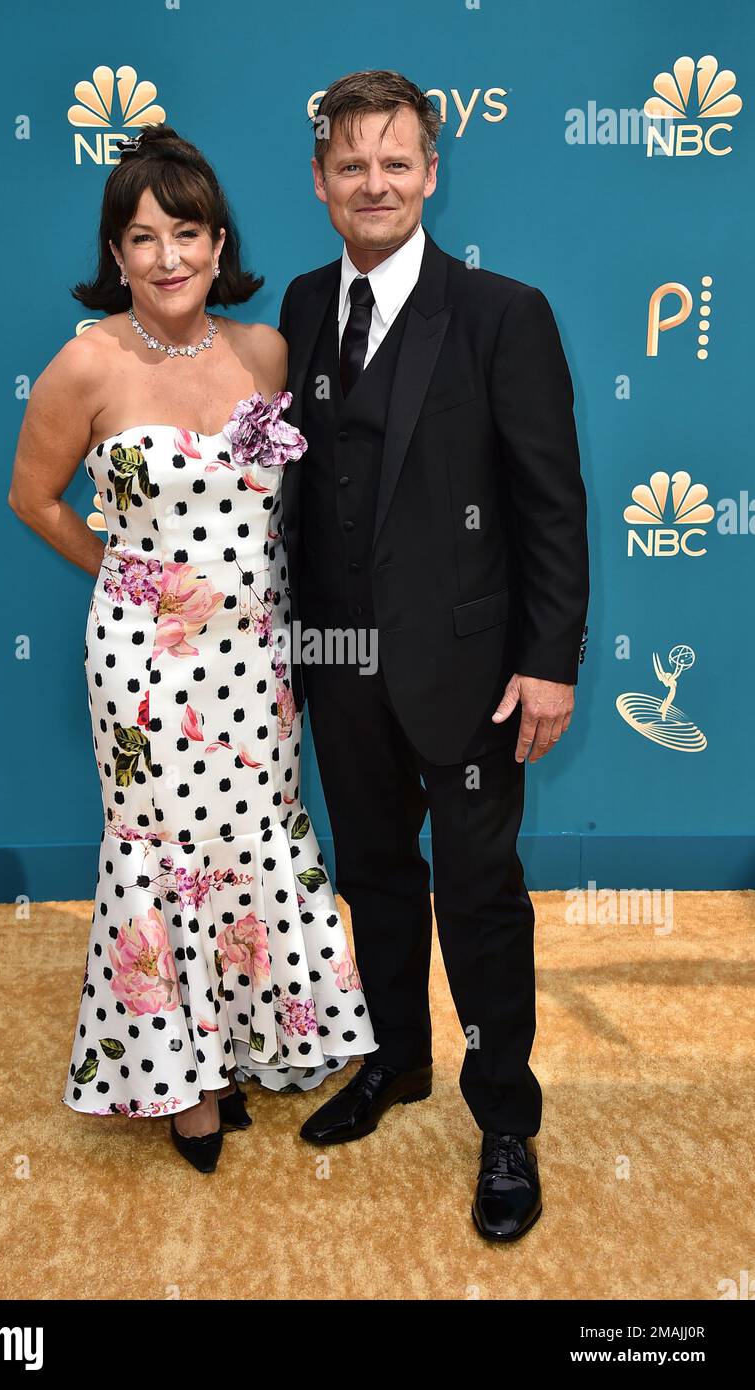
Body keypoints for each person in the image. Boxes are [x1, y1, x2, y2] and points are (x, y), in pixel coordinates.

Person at [7, 123, 377, 1174]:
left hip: (255, 660)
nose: (166, 257)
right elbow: (32, 498)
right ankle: (187, 1083)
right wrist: (132, 577)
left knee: (258, 834)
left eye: (185, 232)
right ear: (112, 255)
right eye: (140, 237)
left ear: (219, 243)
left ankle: (260, 1035)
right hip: (145, 664)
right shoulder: (85, 366)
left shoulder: (263, 350)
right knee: (161, 851)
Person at [277, 70, 589, 1240]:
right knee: (373, 874)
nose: (373, 183)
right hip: (337, 661)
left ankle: (502, 1117)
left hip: (468, 674)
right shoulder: (303, 306)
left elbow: (550, 504)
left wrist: (548, 659)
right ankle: (396, 1061)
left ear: (429, 172)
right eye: (350, 165)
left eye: (393, 162)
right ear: (319, 184)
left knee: (478, 893)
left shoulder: (505, 313)